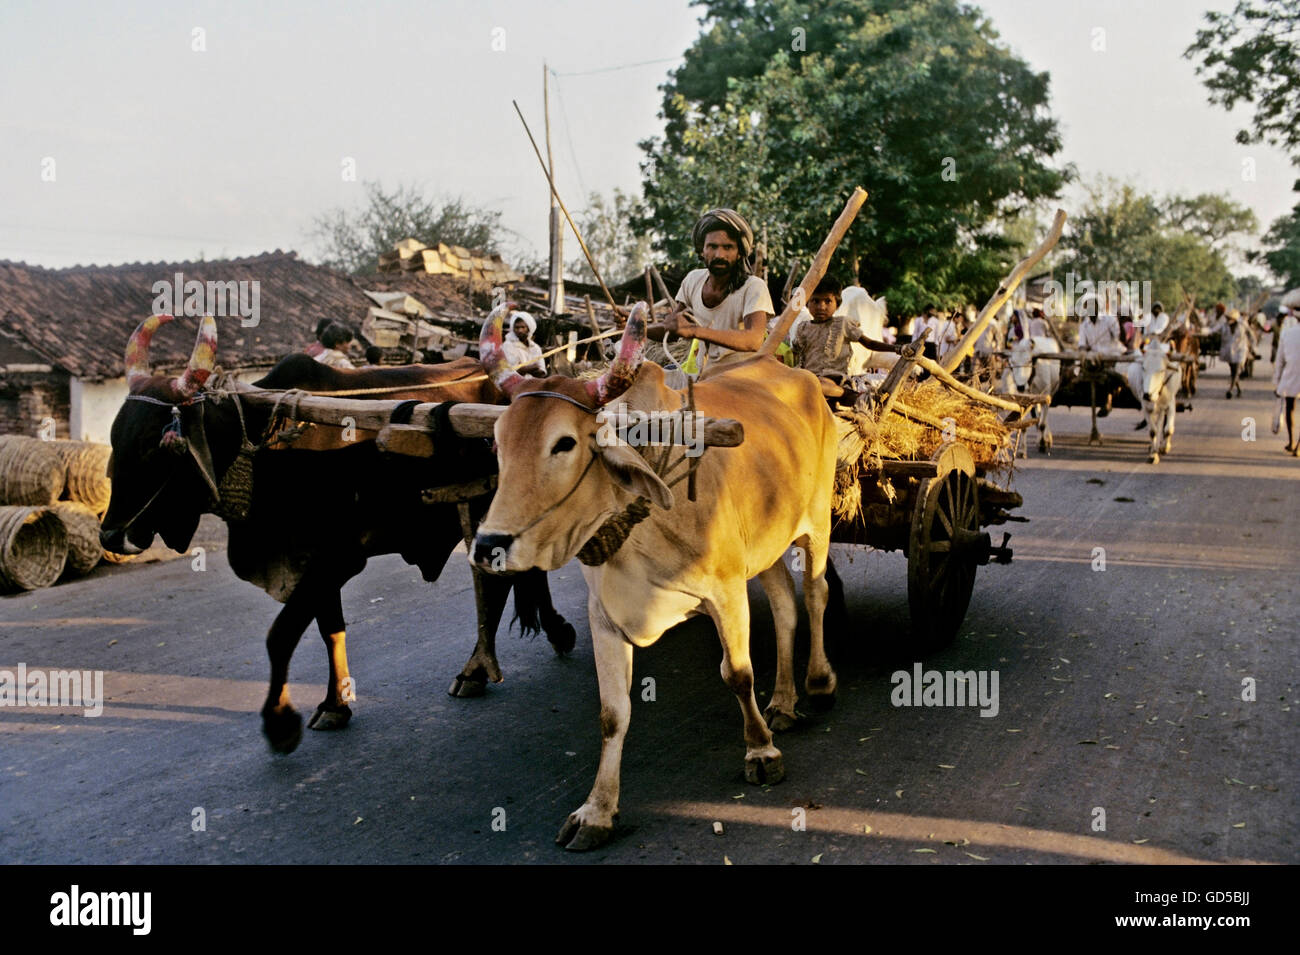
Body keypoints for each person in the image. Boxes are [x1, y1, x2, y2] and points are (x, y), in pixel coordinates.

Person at [653, 208, 773, 376]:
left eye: (728, 247)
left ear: (739, 253)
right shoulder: (693, 280)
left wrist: (697, 331)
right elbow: (672, 331)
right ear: (702, 250)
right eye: (712, 246)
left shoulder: (753, 286)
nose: (720, 254)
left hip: (744, 377)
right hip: (705, 375)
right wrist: (634, 327)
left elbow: (754, 340)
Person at [791, 276, 898, 399]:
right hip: (807, 377)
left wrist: (897, 348)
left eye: (827, 301)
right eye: (815, 301)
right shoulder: (803, 328)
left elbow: (870, 344)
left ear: (837, 304)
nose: (821, 307)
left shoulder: (843, 324)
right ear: (807, 303)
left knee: (818, 385)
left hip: (833, 378)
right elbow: (796, 351)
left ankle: (851, 395)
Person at [1276, 316, 1300, 454]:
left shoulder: (1287, 333)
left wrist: (1277, 382)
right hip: (1292, 374)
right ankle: (1298, 446)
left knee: (1290, 408)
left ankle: (1291, 442)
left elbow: (1280, 360)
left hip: (1291, 375)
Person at [1216, 308, 1250, 398]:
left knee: (1236, 371)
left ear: (1234, 319)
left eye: (1229, 318)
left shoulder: (1242, 325)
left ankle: (1230, 390)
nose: (1228, 320)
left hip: (1240, 350)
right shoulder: (1224, 326)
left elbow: (1251, 334)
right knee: (1233, 371)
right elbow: (1214, 330)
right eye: (1227, 318)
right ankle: (1238, 389)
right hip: (1229, 351)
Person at [502, 310, 546, 377]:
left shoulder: (535, 348)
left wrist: (527, 369)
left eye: (523, 327)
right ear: (513, 329)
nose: (520, 330)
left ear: (528, 328)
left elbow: (541, 372)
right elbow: (511, 372)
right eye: (517, 327)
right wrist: (530, 368)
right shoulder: (508, 345)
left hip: (533, 385)